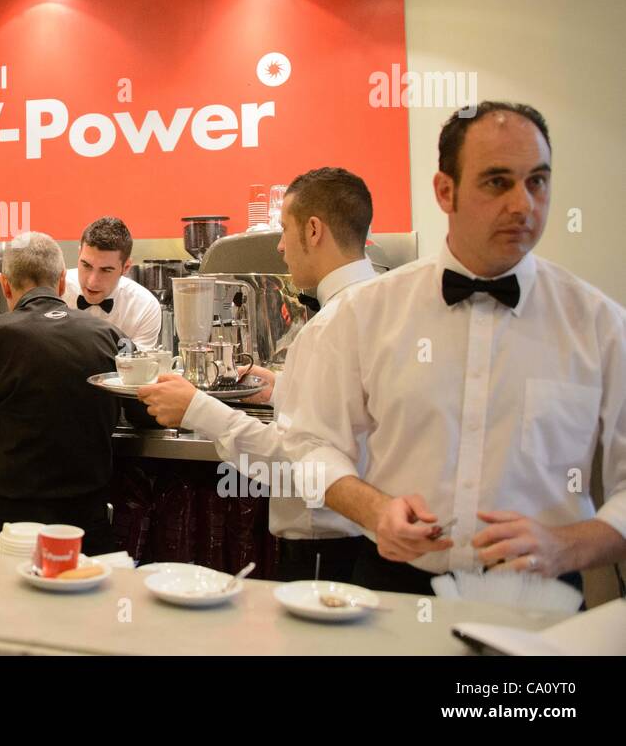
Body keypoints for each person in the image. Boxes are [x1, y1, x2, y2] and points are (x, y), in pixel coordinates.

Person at [282, 103, 625, 593]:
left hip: (539, 598)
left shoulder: (600, 325)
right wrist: (374, 510)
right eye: (497, 182)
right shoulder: (366, 313)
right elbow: (311, 444)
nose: (523, 204)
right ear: (446, 191)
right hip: (392, 586)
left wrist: (568, 544)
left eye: (537, 182)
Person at [137, 168, 379, 582]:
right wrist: (281, 389)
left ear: (315, 230)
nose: (282, 247)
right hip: (363, 543)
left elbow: (293, 462)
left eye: (285, 230)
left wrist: (196, 409)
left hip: (326, 549)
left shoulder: (330, 325)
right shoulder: (381, 302)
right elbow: (353, 411)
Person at [0, 231, 138, 554]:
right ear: (59, 283)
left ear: (4, 285)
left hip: (8, 525)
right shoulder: (111, 335)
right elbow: (145, 411)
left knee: (1, 604)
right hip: (87, 523)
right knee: (84, 603)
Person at [63, 216, 161, 351]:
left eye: (106, 270)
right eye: (86, 265)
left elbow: (139, 370)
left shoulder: (144, 307)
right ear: (79, 253)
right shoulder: (55, 289)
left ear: (125, 268)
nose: (92, 281)